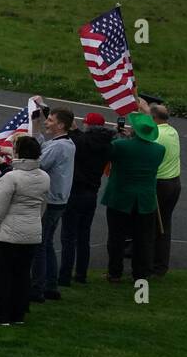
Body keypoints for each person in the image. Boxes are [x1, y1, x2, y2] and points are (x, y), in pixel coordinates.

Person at [0, 136, 50, 326]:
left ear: (19, 153)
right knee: (22, 274)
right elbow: (43, 205)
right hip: (32, 232)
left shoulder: (11, 178)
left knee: (2, 275)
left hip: (9, 234)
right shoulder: (44, 176)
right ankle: (18, 313)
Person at [102, 112, 166, 282]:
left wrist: (117, 135)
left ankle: (114, 272)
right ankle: (140, 273)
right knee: (143, 239)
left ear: (135, 131)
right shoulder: (159, 149)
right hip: (145, 200)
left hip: (120, 198)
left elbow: (107, 153)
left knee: (116, 237)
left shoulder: (120, 145)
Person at [61, 112, 115, 284]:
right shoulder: (107, 145)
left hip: (75, 191)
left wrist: (74, 131)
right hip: (91, 192)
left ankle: (64, 275)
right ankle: (81, 274)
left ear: (88, 125)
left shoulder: (80, 142)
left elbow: (76, 141)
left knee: (68, 236)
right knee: (84, 236)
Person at [31, 101, 75, 302]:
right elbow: (41, 146)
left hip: (50, 200)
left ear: (61, 126)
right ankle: (50, 285)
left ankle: (37, 288)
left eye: (50, 120)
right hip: (60, 200)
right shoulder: (64, 143)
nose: (47, 122)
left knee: (39, 245)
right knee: (47, 242)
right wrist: (36, 124)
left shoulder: (59, 146)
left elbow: (36, 163)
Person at [151, 103, 181, 278]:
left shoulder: (156, 135)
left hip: (160, 185)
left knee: (154, 227)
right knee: (165, 226)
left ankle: (156, 265)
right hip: (174, 183)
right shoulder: (172, 131)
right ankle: (161, 264)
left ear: (154, 119)